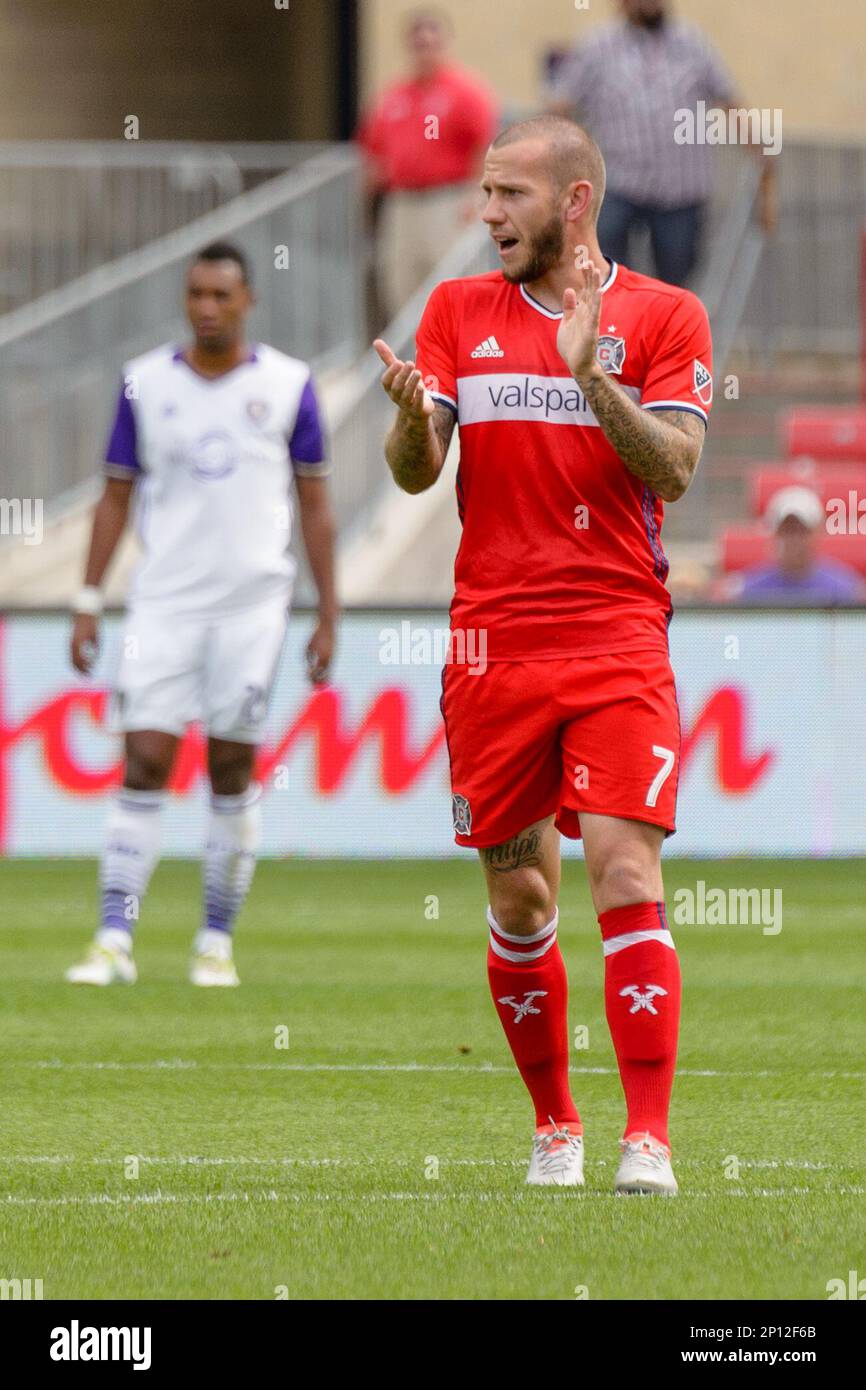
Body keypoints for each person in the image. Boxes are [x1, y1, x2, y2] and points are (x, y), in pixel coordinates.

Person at [375, 113, 713, 1195]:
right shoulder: (453, 311)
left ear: (573, 201)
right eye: (481, 193)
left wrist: (591, 381)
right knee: (521, 899)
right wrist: (403, 421)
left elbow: (671, 472)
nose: (485, 215)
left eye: (506, 196)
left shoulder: (664, 316)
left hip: (615, 634)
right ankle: (555, 1127)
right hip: (490, 645)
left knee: (622, 867)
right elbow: (416, 474)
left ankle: (646, 1138)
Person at [66, 242, 338, 987]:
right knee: (146, 756)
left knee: (229, 766)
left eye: (222, 294)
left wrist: (328, 612)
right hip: (163, 603)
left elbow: (314, 502)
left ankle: (215, 939)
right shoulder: (144, 384)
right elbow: (115, 494)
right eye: (196, 294)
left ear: (248, 299)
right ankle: (114, 937)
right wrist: (89, 602)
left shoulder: (288, 386)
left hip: (253, 607)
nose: (207, 307)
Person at [548, 0, 776, 286]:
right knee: (605, 277)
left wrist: (763, 157)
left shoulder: (693, 44)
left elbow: (731, 103)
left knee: (676, 286)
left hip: (680, 192)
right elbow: (560, 107)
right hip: (616, 186)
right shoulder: (597, 47)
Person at [356, 7, 497, 323]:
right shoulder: (393, 96)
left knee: (453, 285)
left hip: (447, 201)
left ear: (445, 43)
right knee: (400, 288)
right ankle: (414, 364)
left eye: (432, 41)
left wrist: (476, 198)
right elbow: (373, 153)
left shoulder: (464, 92)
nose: (425, 49)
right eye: (418, 42)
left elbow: (484, 148)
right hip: (402, 204)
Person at [735, 486, 863, 604]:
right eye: (788, 530)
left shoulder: (845, 590)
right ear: (775, 534)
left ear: (816, 533)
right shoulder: (749, 591)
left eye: (802, 531)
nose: (795, 539)